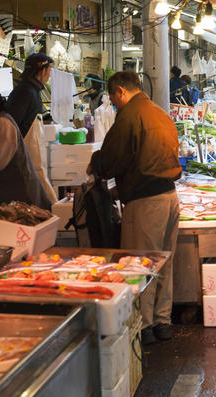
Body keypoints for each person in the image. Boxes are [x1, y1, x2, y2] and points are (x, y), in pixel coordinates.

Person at [87, 71, 182, 344]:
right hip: (169, 197)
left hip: (146, 205)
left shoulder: (129, 115)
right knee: (164, 262)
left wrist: (95, 164)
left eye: (113, 99)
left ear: (120, 91)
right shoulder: (159, 113)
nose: (114, 105)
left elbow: (113, 157)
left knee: (141, 264)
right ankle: (163, 322)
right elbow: (143, 158)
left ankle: (145, 326)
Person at [5, 53, 53, 138]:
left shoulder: (30, 89)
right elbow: (10, 126)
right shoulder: (26, 92)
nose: (49, 75)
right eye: (49, 71)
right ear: (43, 71)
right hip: (22, 146)